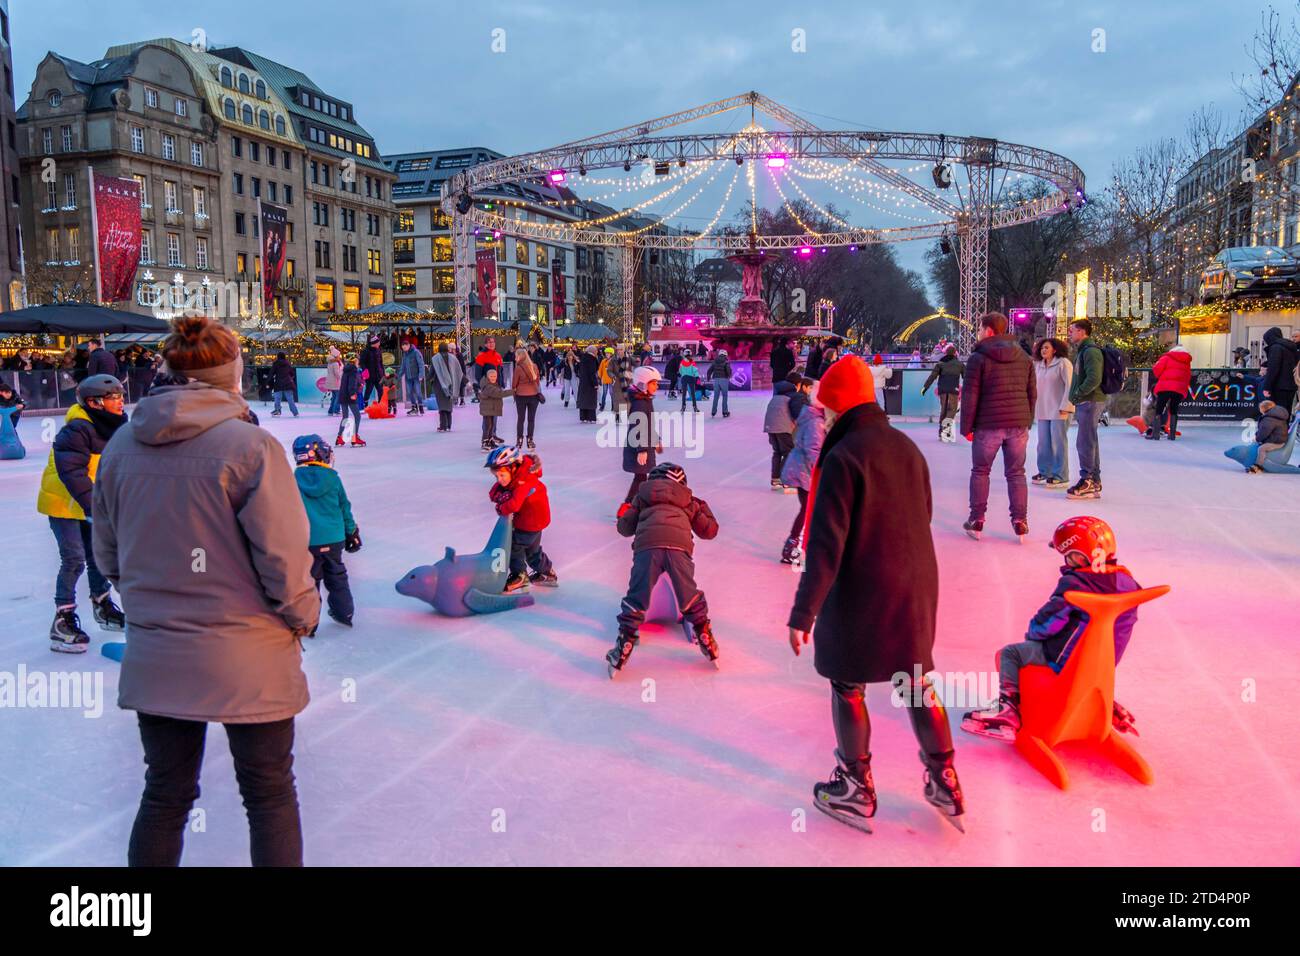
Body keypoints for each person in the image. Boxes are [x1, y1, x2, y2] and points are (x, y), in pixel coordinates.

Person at [91, 315, 319, 867]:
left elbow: (108, 554)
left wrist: (152, 605)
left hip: (160, 650)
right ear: (233, 373)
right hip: (249, 651)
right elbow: (284, 557)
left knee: (165, 794)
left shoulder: (123, 444)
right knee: (267, 795)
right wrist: (302, 615)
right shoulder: (252, 446)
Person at [785, 356, 964, 833]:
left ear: (840, 405)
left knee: (848, 683)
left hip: (862, 587)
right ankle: (944, 777)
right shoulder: (906, 446)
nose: (822, 416)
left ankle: (855, 785)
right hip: (916, 584)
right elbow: (922, 514)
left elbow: (826, 546)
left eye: (827, 408)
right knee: (915, 679)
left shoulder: (844, 457)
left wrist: (804, 613)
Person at [962, 517, 1142, 741]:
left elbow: (1046, 624)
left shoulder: (1075, 585)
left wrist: (1033, 637)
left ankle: (1009, 710)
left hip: (1064, 659)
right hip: (1103, 664)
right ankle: (1103, 703)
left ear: (1079, 556)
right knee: (1085, 664)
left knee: (1011, 653)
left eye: (1067, 555)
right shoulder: (1128, 583)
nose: (1066, 561)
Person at [36, 374, 129, 652]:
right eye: (115, 397)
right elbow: (72, 472)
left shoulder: (114, 426)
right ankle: (62, 620)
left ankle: (103, 607)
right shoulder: (77, 429)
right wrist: (95, 507)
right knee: (74, 558)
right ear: (95, 402)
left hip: (90, 502)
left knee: (98, 555)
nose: (121, 401)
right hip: (63, 503)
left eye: (121, 396)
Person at [607, 461, 719, 676]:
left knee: (637, 597)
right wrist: (704, 509)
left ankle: (624, 643)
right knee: (689, 595)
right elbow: (710, 531)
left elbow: (624, 528)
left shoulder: (641, 498)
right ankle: (704, 632)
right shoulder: (689, 500)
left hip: (648, 548)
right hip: (679, 549)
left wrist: (625, 512)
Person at [959, 313, 1036, 542]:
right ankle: (1020, 521)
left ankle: (977, 519)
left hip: (988, 424)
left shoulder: (978, 358)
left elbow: (971, 395)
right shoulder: (1023, 356)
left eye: (981, 328)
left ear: (990, 330)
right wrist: (1027, 419)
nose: (979, 333)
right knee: (1016, 473)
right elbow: (1032, 392)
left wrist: (967, 427)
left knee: (981, 471)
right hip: (1017, 424)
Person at [293, 434, 359, 629]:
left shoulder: (292, 479)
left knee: (310, 582)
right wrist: (352, 532)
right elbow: (344, 507)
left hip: (308, 541)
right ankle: (344, 612)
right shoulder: (333, 478)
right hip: (334, 540)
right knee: (337, 577)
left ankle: (309, 623)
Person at [486, 444, 556, 593]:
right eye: (496, 476)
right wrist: (498, 496)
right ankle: (548, 573)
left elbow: (514, 505)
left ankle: (520, 576)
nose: (499, 480)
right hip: (535, 519)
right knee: (533, 551)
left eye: (502, 475)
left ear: (513, 467)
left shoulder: (524, 480)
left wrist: (500, 507)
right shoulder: (517, 475)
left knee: (513, 547)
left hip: (530, 521)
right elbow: (494, 491)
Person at [779, 376, 826, 565]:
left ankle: (799, 545)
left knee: (809, 510)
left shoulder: (814, 416)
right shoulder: (816, 421)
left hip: (801, 469)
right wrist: (823, 470)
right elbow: (813, 449)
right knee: (808, 509)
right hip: (805, 471)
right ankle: (792, 546)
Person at [1066, 318, 1105, 500]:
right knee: (1089, 441)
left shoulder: (1090, 352)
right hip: (1087, 401)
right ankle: (1093, 479)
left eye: (1072, 330)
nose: (1069, 333)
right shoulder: (1084, 351)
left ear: (1082, 332)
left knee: (1085, 442)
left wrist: (1079, 394)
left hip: (1089, 401)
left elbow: (1094, 378)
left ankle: (1087, 479)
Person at [619, 366, 662, 517]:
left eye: (657, 383)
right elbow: (637, 427)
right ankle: (628, 507)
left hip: (643, 445)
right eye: (653, 383)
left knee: (642, 478)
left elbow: (648, 424)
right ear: (643, 384)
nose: (656, 386)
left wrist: (656, 439)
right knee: (641, 478)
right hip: (639, 448)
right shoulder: (640, 403)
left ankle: (633, 505)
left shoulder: (644, 399)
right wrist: (642, 449)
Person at [1032, 338, 1073, 486]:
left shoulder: (1063, 363)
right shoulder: (1038, 365)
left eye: (1046, 348)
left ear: (1054, 350)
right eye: (1042, 348)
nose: (1043, 350)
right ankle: (1044, 472)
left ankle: (1061, 475)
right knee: (1043, 443)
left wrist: (1066, 406)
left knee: (1058, 443)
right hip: (1042, 409)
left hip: (1059, 409)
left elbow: (1070, 385)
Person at [764, 371, 806, 490]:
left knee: (777, 452)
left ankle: (775, 479)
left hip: (770, 426)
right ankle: (785, 479)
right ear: (797, 384)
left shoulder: (778, 393)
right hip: (783, 426)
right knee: (789, 452)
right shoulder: (794, 395)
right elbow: (797, 412)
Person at [1145, 342, 1191, 440]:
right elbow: (1187, 376)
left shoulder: (1167, 357)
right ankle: (1172, 435)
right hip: (1179, 389)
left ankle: (1155, 434)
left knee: (1159, 409)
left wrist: (1161, 377)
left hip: (1165, 387)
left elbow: (1156, 369)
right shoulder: (1186, 361)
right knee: (1173, 410)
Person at [921, 346, 964, 441]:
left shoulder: (940, 364)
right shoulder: (959, 364)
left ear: (945, 353)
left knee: (943, 410)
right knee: (952, 410)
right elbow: (967, 377)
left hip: (942, 390)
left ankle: (941, 431)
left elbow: (932, 376)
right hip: (954, 390)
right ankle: (946, 429)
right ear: (955, 353)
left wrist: (925, 387)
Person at [1260, 326, 1299, 413]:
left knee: (1278, 411)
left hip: (1279, 385)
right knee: (1287, 411)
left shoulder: (1275, 348)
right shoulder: (1291, 347)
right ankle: (1285, 426)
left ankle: (1279, 426)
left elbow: (1273, 368)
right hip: (1291, 384)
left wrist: (1267, 387)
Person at [1248, 399, 1292, 472]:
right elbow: (1262, 429)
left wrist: (1257, 438)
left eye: (1260, 409)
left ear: (1263, 409)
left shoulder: (1269, 419)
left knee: (1261, 448)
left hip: (1277, 442)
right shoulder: (1275, 415)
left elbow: (1264, 432)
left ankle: (1258, 466)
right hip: (1277, 439)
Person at [512, 346, 542, 450]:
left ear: (520, 356)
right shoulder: (534, 366)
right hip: (533, 396)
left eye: (516, 356)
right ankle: (530, 441)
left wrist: (514, 392)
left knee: (521, 419)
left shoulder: (518, 368)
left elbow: (514, 384)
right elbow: (537, 382)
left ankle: (519, 441)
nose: (515, 358)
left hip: (521, 396)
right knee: (531, 419)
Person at [429, 342, 462, 432]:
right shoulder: (453, 358)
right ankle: (449, 426)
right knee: (448, 405)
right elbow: (458, 371)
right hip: (451, 384)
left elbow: (432, 372)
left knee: (442, 406)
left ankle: (442, 426)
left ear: (438, 349)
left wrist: (429, 379)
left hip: (439, 385)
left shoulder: (435, 358)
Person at [477, 365, 512, 451]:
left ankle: (490, 440)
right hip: (487, 409)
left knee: (491, 426)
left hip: (491, 409)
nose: (493, 378)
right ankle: (485, 442)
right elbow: (499, 393)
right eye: (491, 376)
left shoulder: (493, 384)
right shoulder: (488, 386)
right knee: (487, 426)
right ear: (488, 377)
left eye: (495, 376)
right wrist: (513, 391)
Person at [335, 353, 366, 448]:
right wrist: (353, 393)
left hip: (343, 395)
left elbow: (347, 383)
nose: (358, 361)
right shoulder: (353, 370)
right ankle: (354, 438)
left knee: (345, 417)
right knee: (357, 416)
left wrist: (358, 385)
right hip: (349, 396)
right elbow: (351, 384)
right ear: (354, 360)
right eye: (357, 359)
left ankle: (340, 438)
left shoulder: (346, 370)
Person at [400, 340, 426, 416]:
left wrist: (421, 375)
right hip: (408, 377)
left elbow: (421, 364)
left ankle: (421, 407)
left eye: (405, 348)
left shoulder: (416, 352)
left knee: (418, 392)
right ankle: (414, 408)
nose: (404, 349)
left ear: (408, 345)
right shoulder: (405, 354)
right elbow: (403, 366)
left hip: (416, 376)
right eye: (403, 348)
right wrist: (399, 376)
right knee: (410, 392)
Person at [475, 336, 504, 403]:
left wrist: (502, 384)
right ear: (485, 344)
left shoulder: (498, 356)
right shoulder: (481, 356)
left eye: (493, 342)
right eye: (489, 342)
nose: (491, 344)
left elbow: (501, 372)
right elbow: (477, 375)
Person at [359, 335, 384, 408]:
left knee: (381, 391)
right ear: (375, 343)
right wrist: (365, 371)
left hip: (379, 375)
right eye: (378, 342)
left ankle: (381, 405)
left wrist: (383, 373)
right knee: (368, 390)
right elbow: (362, 362)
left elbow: (381, 363)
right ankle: (365, 404)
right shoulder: (366, 351)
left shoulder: (379, 350)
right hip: (370, 375)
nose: (379, 344)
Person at [270, 351, 298, 417]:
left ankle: (277, 410)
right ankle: (295, 412)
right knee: (290, 399)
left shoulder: (276, 363)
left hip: (278, 383)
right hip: (288, 383)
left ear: (278, 357)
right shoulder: (287, 363)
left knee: (277, 398)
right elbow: (292, 373)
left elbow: (271, 373)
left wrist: (268, 381)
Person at [576, 345, 599, 423]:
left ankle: (583, 417)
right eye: (596, 351)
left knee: (583, 400)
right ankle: (591, 418)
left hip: (583, 382)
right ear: (593, 351)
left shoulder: (583, 358)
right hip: (590, 384)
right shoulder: (591, 359)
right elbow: (592, 373)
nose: (597, 352)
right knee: (590, 400)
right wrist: (595, 383)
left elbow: (578, 370)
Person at [708, 348, 732, 417]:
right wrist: (729, 375)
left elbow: (709, 370)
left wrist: (708, 377)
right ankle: (725, 412)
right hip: (724, 379)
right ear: (725, 355)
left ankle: (713, 412)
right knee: (724, 396)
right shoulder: (726, 362)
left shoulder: (714, 361)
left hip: (715, 379)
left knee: (716, 396)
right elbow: (728, 370)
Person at [324, 346, 343, 416]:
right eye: (338, 355)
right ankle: (336, 410)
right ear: (335, 355)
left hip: (332, 382)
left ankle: (331, 411)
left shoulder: (330, 362)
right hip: (336, 382)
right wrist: (342, 377)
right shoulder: (335, 363)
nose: (339, 356)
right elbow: (337, 374)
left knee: (335, 396)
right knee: (338, 396)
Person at [597, 346, 615, 412]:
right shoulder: (603, 361)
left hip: (611, 380)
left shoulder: (613, 361)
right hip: (605, 380)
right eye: (606, 353)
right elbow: (600, 370)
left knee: (611, 393)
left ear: (611, 354)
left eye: (608, 353)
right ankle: (602, 406)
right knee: (604, 393)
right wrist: (599, 378)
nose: (607, 354)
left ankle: (613, 406)